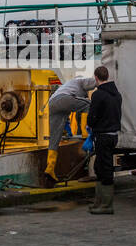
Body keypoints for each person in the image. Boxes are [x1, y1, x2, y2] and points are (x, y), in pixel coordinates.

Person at [45, 72, 97, 181]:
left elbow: (67, 116)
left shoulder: (67, 86)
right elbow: (98, 81)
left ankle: (50, 168)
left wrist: (68, 132)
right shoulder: (80, 81)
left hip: (52, 104)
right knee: (89, 103)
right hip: (63, 99)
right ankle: (86, 133)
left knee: (55, 138)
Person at [86, 65, 121, 214]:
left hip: (103, 136)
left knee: (104, 169)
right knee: (100, 166)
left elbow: (92, 117)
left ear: (96, 78)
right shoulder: (117, 94)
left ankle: (106, 205)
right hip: (113, 136)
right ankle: (99, 202)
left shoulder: (98, 95)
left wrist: (91, 125)